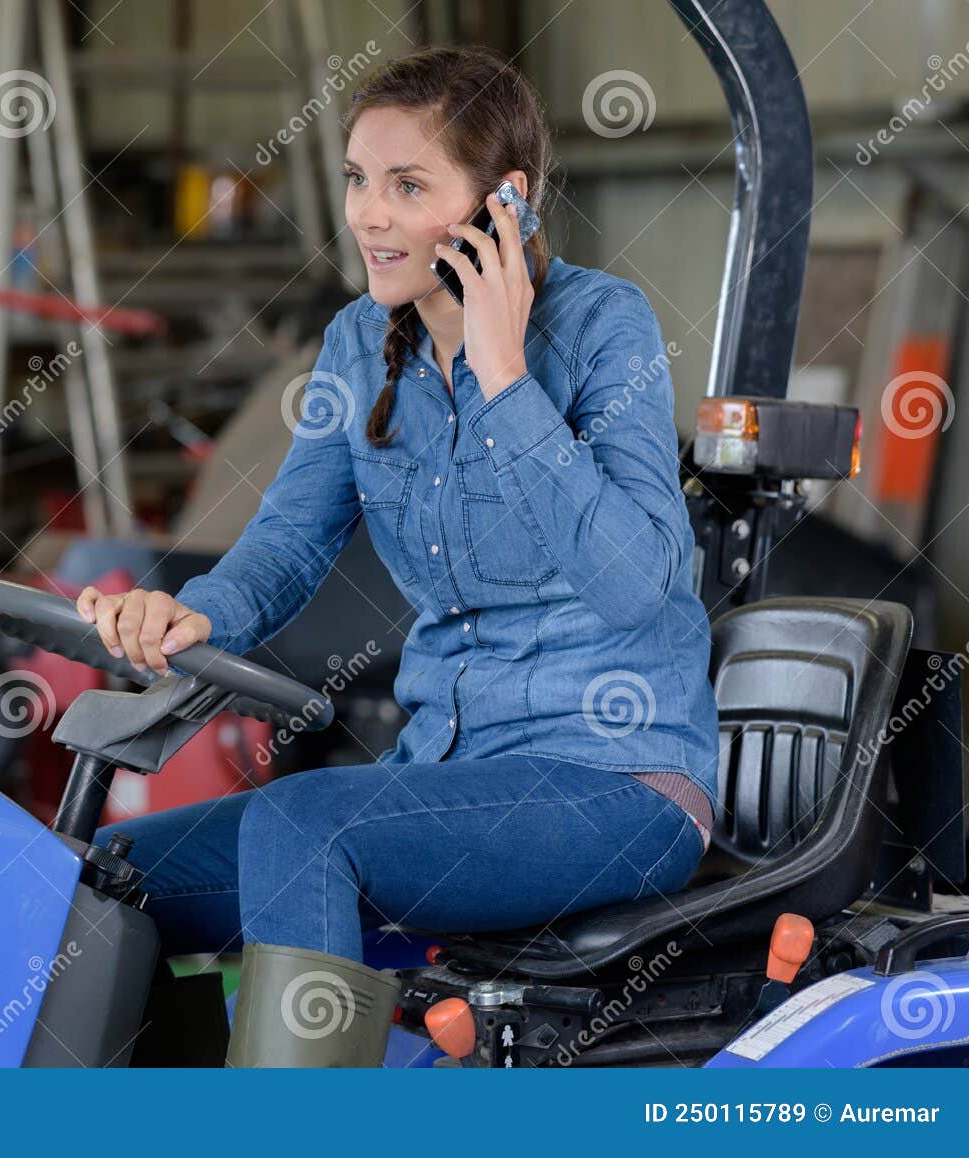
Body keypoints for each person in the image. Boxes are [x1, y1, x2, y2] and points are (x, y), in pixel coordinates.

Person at [79, 45, 719, 1065]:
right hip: (448, 773)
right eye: (356, 181)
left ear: (501, 202)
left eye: (406, 185)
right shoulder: (355, 343)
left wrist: (504, 376)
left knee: (306, 825)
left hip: (617, 784)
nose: (368, 215)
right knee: (107, 873)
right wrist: (201, 612)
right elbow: (288, 538)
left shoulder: (603, 326)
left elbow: (638, 584)